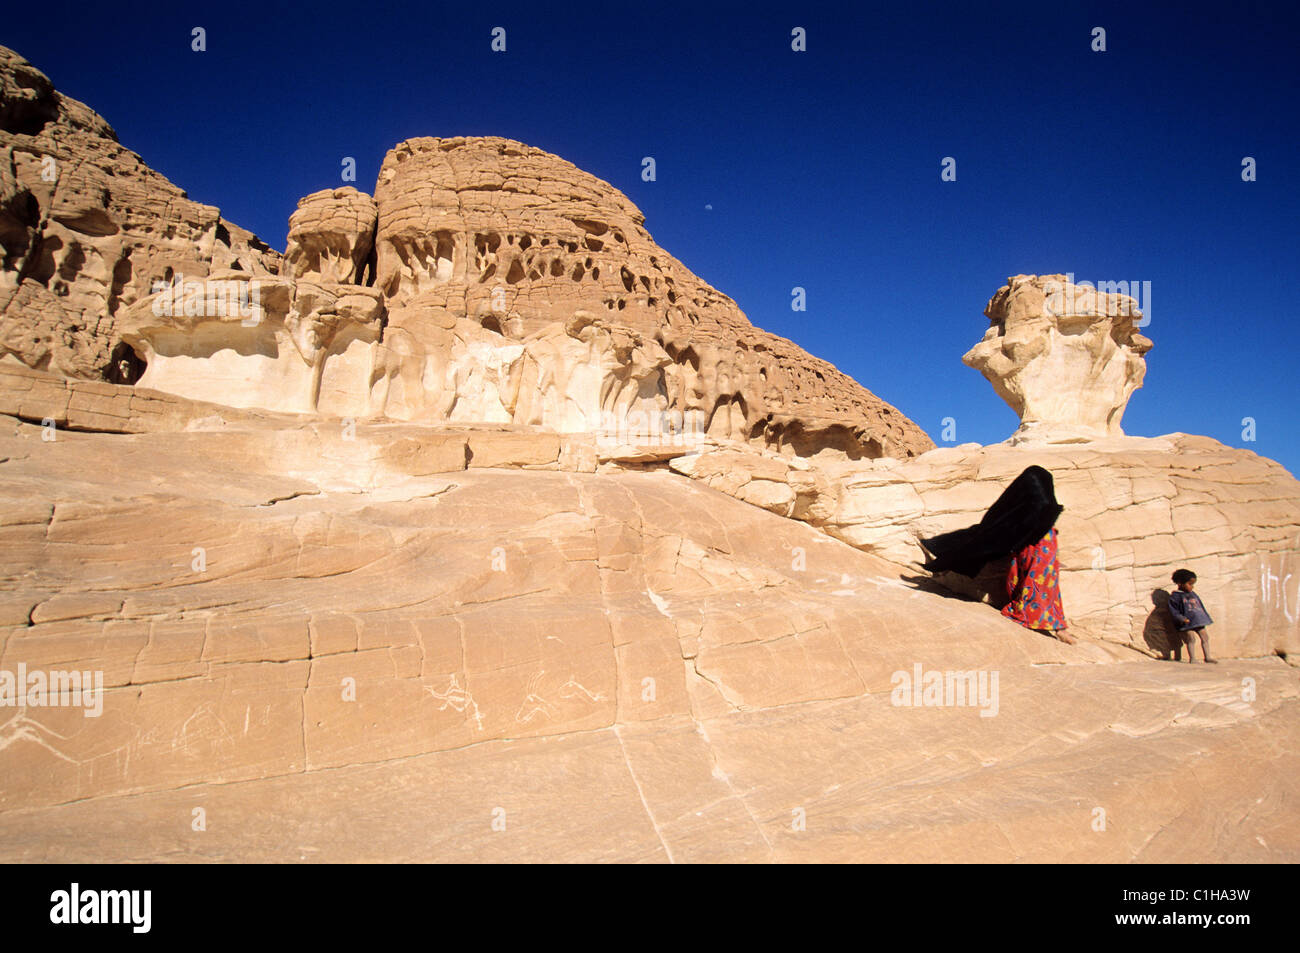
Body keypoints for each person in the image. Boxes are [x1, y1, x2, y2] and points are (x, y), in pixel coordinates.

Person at [920, 464, 1075, 644]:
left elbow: (1027, 523)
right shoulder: (1034, 504)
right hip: (1035, 552)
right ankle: (1055, 626)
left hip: (1043, 550)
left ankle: (1056, 625)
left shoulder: (1036, 502)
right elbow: (1014, 527)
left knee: (1044, 584)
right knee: (1039, 584)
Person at [1167, 569, 1215, 663]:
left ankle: (1207, 657)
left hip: (1198, 621)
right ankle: (1192, 658)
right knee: (1191, 638)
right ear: (1180, 583)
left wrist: (1204, 617)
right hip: (1187, 622)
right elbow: (1174, 611)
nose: (1192, 587)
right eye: (1190, 584)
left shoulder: (1193, 594)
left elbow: (1199, 606)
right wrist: (1182, 619)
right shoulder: (1175, 597)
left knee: (1205, 637)